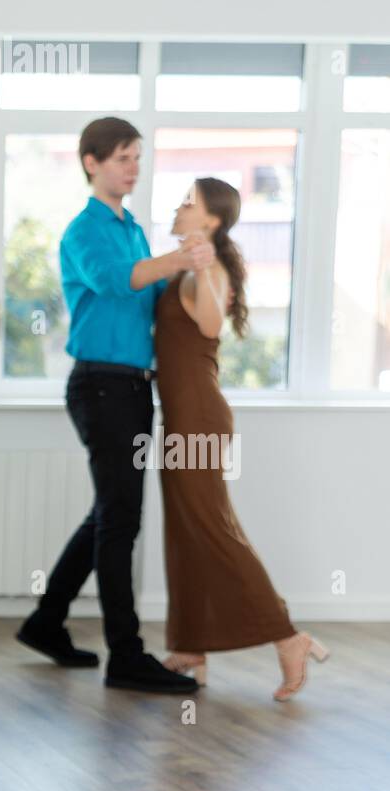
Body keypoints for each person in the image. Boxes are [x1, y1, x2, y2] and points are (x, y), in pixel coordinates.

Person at [16, 117, 212, 693]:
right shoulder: (85, 230)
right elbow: (114, 281)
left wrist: (202, 268)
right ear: (92, 163)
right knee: (120, 519)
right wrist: (179, 259)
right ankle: (126, 655)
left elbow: (155, 294)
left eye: (137, 158)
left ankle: (46, 622)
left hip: (131, 388)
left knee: (109, 512)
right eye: (123, 158)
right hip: (101, 386)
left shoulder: (133, 230)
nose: (133, 168)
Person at [156, 178, 328, 701]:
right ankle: (190, 647)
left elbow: (209, 326)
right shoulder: (188, 266)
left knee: (212, 530)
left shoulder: (209, 269)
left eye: (188, 201)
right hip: (183, 418)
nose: (178, 206)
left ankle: (288, 638)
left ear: (210, 220)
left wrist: (204, 265)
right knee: (186, 531)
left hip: (198, 419)